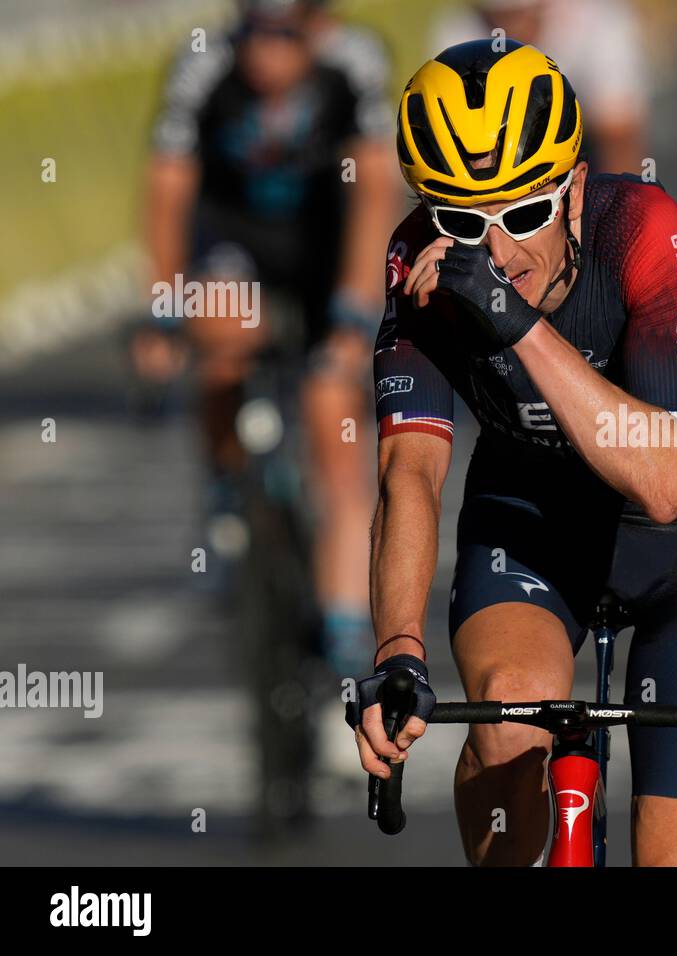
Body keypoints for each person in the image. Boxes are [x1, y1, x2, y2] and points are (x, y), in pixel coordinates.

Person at [355, 40, 677, 866]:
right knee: (509, 716)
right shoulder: (418, 265)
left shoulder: (648, 234)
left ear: (575, 190)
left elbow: (663, 482)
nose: (497, 253)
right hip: (533, 523)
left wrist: (514, 323)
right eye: (464, 223)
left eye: (522, 214)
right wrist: (397, 647)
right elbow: (411, 473)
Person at [133, 0, 397, 676]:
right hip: (235, 240)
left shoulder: (354, 63)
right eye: (255, 33)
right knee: (224, 331)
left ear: (317, 28)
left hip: (320, 251)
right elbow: (168, 188)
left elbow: (373, 189)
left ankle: (343, 625)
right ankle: (228, 482)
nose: (265, 55)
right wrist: (163, 310)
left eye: (285, 37)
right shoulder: (202, 64)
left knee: (335, 418)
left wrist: (354, 310)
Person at [426, 0, 648, 175]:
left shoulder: (600, 22)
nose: (511, 28)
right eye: (500, 18)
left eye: (518, 15)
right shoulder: (457, 31)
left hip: (584, 142)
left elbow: (618, 133)